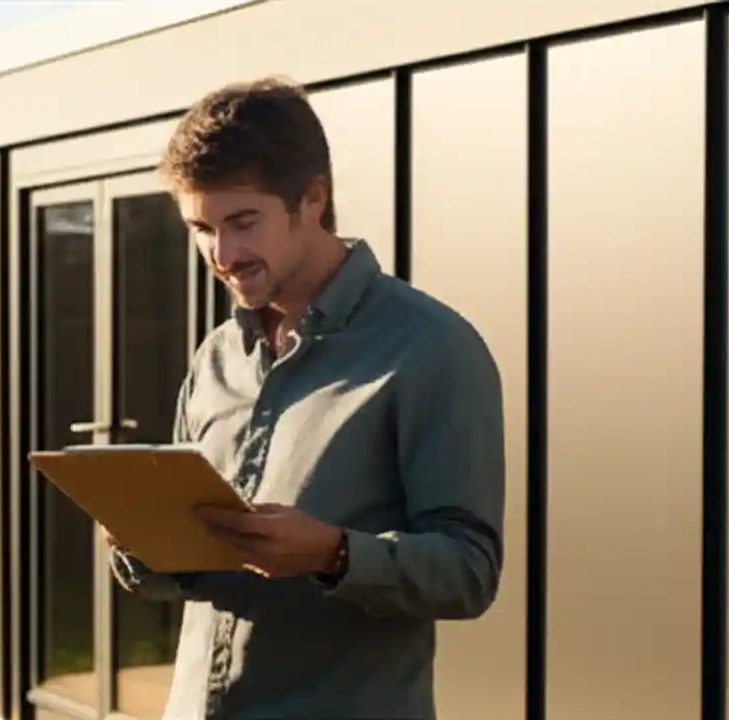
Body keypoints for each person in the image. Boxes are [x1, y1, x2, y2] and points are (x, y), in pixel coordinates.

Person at [105, 76, 506, 720]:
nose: (223, 254)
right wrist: (138, 540)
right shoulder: (215, 359)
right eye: (201, 228)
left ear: (312, 198)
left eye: (243, 222)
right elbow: (189, 570)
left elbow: (469, 572)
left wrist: (334, 554)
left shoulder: (431, 348)